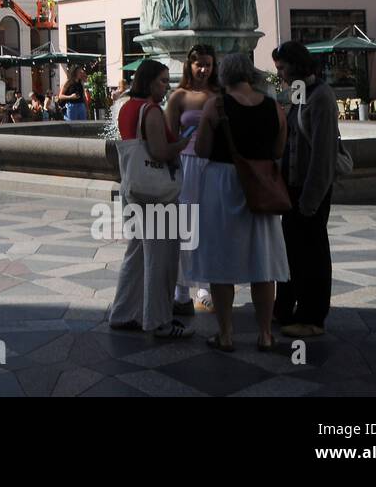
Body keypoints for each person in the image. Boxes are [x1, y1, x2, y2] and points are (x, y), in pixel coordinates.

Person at [188, 53, 289, 352]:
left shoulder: (215, 106)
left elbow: (203, 149)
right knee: (262, 261)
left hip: (222, 184)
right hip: (260, 184)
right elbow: (279, 148)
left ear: (224, 76)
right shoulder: (274, 107)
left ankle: (226, 334)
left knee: (220, 258)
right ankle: (265, 334)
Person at [109, 60, 191, 339]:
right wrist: (181, 143)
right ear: (148, 82)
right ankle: (159, 321)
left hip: (134, 188)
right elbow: (159, 152)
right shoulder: (151, 110)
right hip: (157, 195)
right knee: (162, 258)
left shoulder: (125, 107)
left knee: (137, 254)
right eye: (162, 81)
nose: (166, 87)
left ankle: (124, 313)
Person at [271, 41, 338, 340]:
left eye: (282, 68)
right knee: (292, 252)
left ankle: (313, 317)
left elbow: (324, 154)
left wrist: (311, 199)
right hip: (292, 188)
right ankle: (285, 308)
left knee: (313, 254)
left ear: (296, 65)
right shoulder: (301, 92)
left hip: (310, 190)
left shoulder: (322, 96)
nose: (280, 75)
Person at [165, 45, 219, 317]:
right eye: (199, 64)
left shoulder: (218, 95)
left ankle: (205, 287)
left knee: (209, 226)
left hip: (213, 166)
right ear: (189, 65)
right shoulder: (179, 97)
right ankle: (181, 290)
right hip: (185, 164)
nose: (203, 69)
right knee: (186, 227)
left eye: (208, 64)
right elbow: (168, 135)